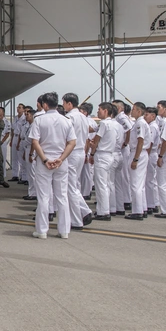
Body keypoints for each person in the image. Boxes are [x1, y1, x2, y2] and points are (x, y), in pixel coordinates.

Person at [29, 92, 76, 239]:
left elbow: (35, 141)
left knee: (44, 197)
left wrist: (44, 159)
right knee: (61, 196)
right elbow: (72, 142)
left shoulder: (39, 120)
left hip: (45, 161)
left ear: (44, 105)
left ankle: (42, 230)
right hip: (60, 162)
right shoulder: (66, 120)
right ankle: (64, 230)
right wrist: (61, 158)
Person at [62, 93, 94, 229]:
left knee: (70, 187)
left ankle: (77, 220)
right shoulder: (83, 116)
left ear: (69, 104)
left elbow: (65, 137)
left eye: (64, 103)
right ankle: (84, 211)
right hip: (80, 151)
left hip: (72, 152)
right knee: (73, 184)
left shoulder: (69, 117)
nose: (63, 106)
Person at [88, 102, 121, 220]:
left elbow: (96, 139)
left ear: (106, 111)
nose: (98, 112)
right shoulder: (115, 124)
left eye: (100, 110)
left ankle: (103, 212)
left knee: (101, 185)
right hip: (110, 155)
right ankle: (106, 209)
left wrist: (92, 151)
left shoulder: (104, 123)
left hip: (102, 155)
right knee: (107, 184)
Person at [126, 102, 150, 220]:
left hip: (137, 153)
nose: (132, 111)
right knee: (140, 185)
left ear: (139, 112)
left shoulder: (140, 123)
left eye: (134, 109)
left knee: (135, 184)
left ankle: (137, 211)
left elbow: (140, 141)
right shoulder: (140, 122)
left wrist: (135, 158)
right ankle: (143, 208)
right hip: (141, 153)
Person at [113, 99, 133, 215]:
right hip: (120, 148)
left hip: (123, 149)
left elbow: (129, 129)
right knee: (119, 176)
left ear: (120, 108)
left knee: (124, 175)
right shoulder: (117, 117)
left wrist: (125, 143)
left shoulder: (122, 117)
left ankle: (126, 199)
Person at [144, 107, 160, 214]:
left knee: (149, 181)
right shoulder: (151, 126)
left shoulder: (152, 127)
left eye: (147, 115)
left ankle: (150, 204)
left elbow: (150, 143)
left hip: (150, 154)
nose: (145, 117)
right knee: (151, 181)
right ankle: (154, 202)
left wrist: (146, 156)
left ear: (153, 116)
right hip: (152, 154)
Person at [79, 102, 95, 200]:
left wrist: (85, 154)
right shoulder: (89, 121)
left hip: (86, 149)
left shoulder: (87, 122)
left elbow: (88, 140)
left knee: (86, 172)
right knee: (87, 172)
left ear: (85, 112)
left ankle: (85, 192)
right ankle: (86, 191)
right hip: (87, 149)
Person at [21, 107, 37, 201]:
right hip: (27, 148)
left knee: (32, 173)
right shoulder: (28, 125)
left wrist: (31, 154)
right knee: (29, 172)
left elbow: (33, 141)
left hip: (32, 149)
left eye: (28, 114)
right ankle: (31, 192)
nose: (26, 116)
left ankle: (33, 193)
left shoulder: (34, 126)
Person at [11, 104, 28, 183]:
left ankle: (23, 176)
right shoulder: (15, 118)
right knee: (14, 157)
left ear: (23, 109)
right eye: (17, 107)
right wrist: (11, 140)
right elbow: (12, 129)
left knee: (21, 158)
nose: (18, 109)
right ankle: (15, 175)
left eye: (20, 108)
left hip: (20, 138)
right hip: (14, 136)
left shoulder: (24, 118)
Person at [0, 106, 11, 174]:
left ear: (3, 112)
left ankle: (2, 174)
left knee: (2, 158)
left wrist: (2, 141)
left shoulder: (6, 122)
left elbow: (7, 133)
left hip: (2, 140)